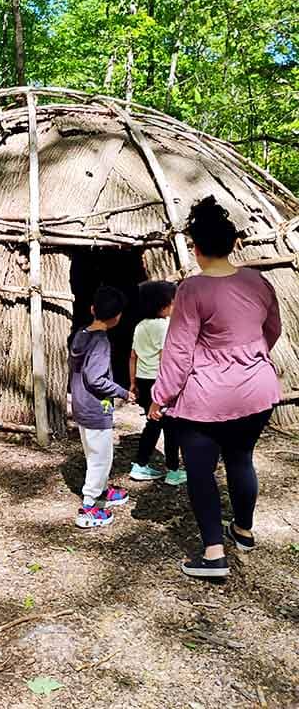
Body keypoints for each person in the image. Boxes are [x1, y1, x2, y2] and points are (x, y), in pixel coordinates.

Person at [151, 196, 282, 579]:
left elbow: (179, 353)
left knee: (200, 471)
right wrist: (248, 360)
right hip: (257, 392)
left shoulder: (192, 289)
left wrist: (160, 397)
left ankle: (213, 555)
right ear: (232, 243)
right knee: (241, 459)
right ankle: (242, 532)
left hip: (206, 399)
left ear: (196, 248)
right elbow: (272, 330)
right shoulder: (258, 281)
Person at [69, 285, 136, 529]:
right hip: (96, 409)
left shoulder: (81, 334)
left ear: (92, 309)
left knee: (93, 453)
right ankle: (89, 506)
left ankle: (102, 489)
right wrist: (123, 392)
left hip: (81, 405)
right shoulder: (100, 342)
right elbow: (95, 378)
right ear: (118, 317)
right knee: (101, 458)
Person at [129, 280, 186, 486]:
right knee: (171, 427)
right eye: (174, 301)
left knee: (152, 424)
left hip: (144, 380)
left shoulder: (140, 326)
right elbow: (166, 359)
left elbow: (133, 356)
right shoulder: (165, 327)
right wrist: (166, 388)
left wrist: (132, 383)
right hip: (161, 381)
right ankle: (173, 471)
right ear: (163, 305)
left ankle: (140, 465)